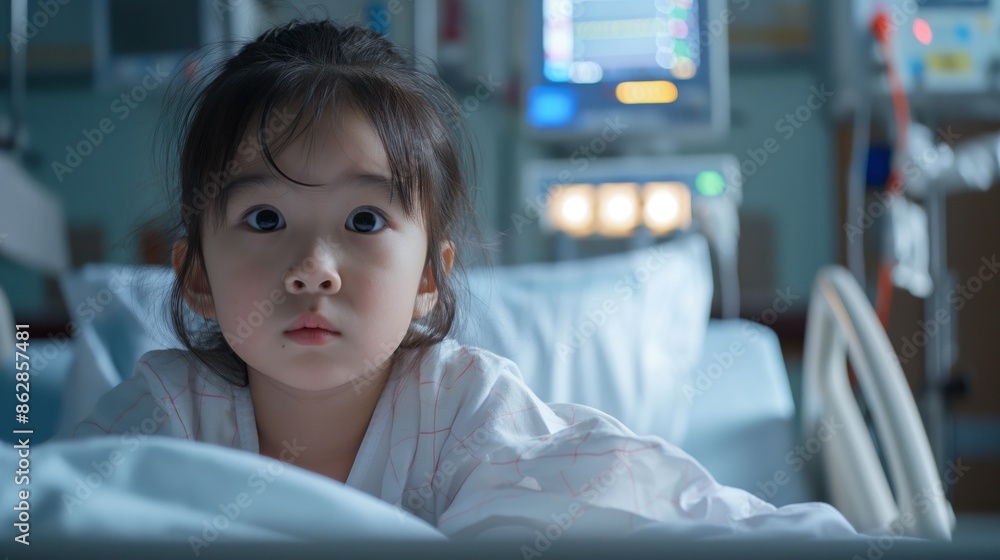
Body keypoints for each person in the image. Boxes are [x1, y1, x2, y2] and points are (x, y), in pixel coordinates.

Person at [74, 19, 859, 541]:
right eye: (267, 221)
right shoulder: (167, 412)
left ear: (430, 276)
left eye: (366, 222)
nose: (313, 271)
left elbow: (658, 514)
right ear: (196, 277)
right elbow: (44, 513)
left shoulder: (466, 410)